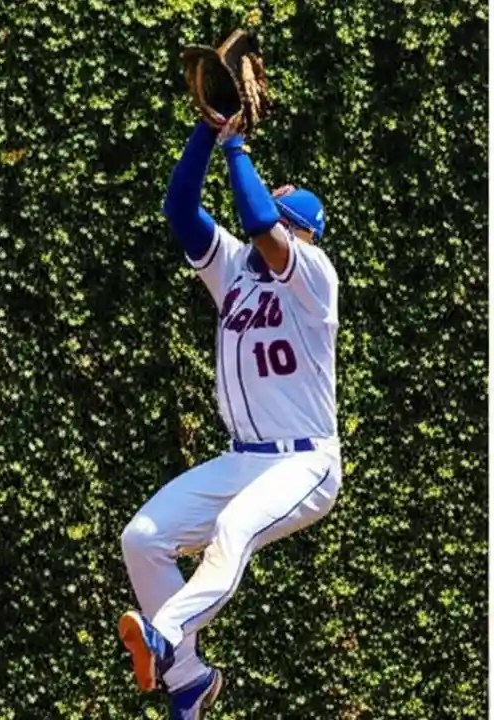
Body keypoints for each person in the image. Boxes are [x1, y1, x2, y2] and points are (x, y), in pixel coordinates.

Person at [115, 114, 342, 720]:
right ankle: (188, 678)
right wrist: (207, 130)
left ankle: (164, 634)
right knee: (142, 538)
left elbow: (260, 222)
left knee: (234, 528)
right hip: (245, 456)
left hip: (306, 461)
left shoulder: (315, 278)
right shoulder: (236, 270)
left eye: (287, 223)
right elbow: (180, 209)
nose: (274, 229)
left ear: (302, 235)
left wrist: (237, 146)